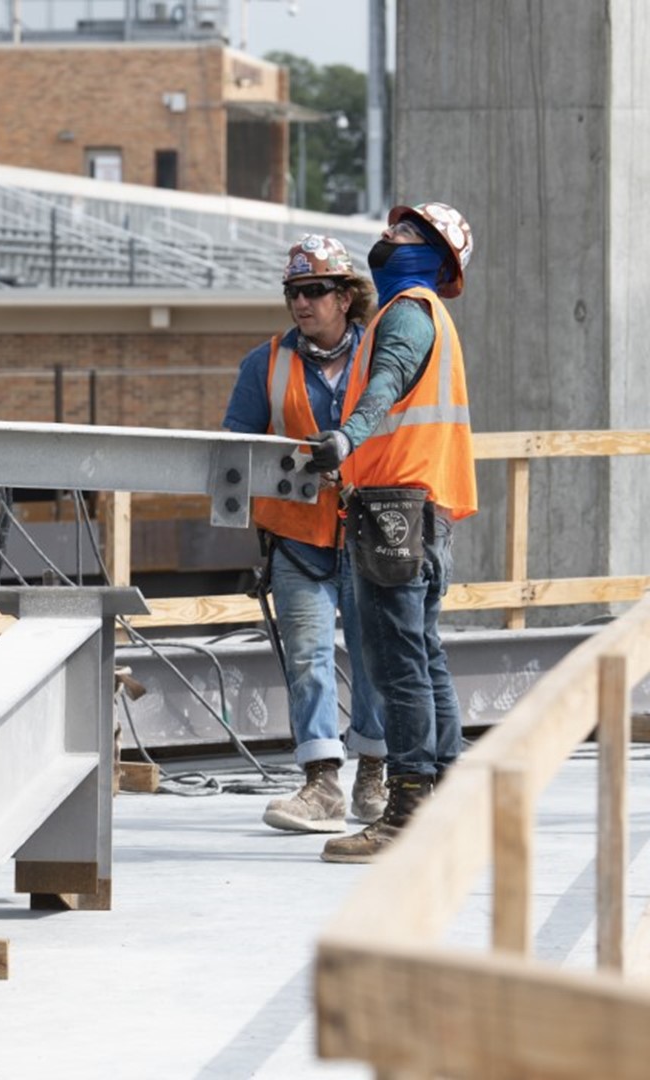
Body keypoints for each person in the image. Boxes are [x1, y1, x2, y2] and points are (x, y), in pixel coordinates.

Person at [303, 202, 476, 863]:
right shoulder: (428, 314)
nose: (386, 236)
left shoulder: (406, 312)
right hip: (423, 510)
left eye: (401, 232)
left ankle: (405, 813)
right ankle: (448, 804)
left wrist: (345, 437)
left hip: (393, 511)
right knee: (423, 656)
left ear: (429, 254)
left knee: (398, 665)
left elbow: (385, 383)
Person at [223, 235, 388, 833]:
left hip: (372, 536)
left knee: (375, 656)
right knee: (308, 658)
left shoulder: (382, 358)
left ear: (345, 297)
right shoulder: (265, 365)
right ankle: (322, 782)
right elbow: (235, 449)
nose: (301, 302)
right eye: (293, 291)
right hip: (297, 540)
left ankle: (374, 771)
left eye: (314, 290)